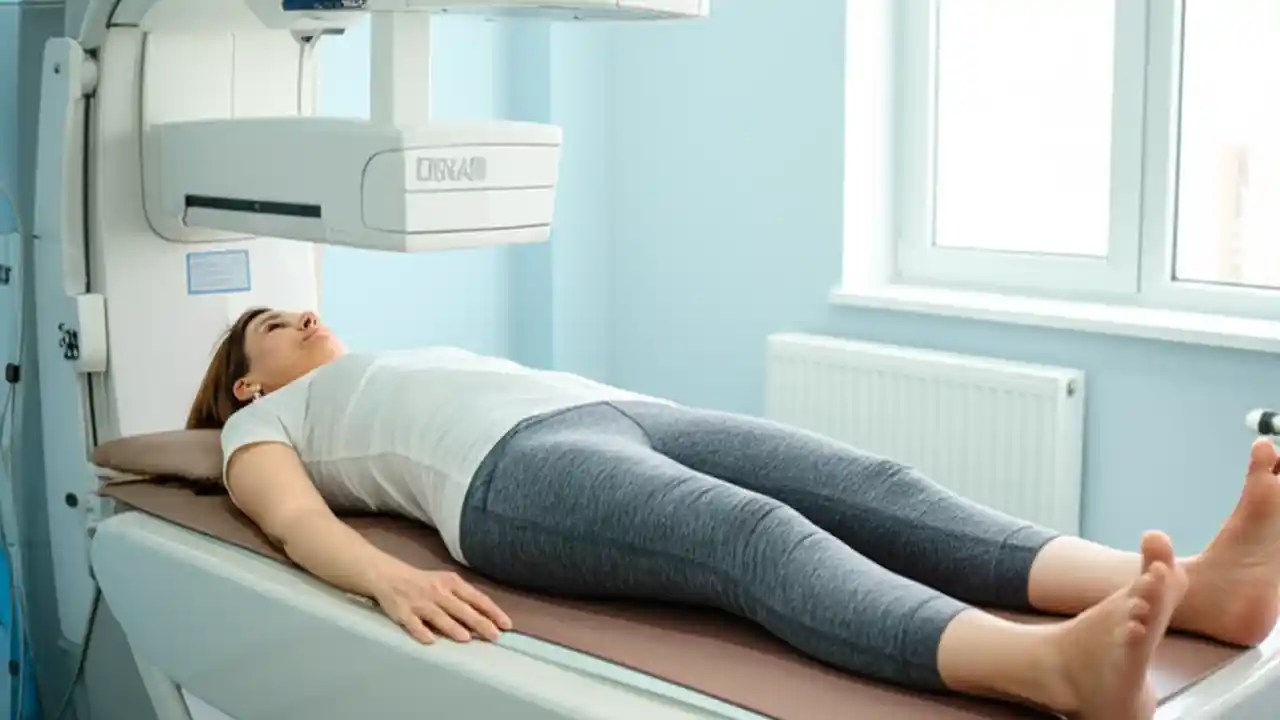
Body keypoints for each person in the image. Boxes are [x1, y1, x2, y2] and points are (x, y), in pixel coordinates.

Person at [189, 306, 1280, 720]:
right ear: (247, 382)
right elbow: (293, 524)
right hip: (510, 477)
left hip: (625, 411)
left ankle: (1200, 586)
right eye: (269, 327)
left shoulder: (395, 349)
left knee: (876, 487)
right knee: (752, 537)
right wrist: (390, 578)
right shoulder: (254, 432)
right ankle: (1035, 666)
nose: (301, 314)